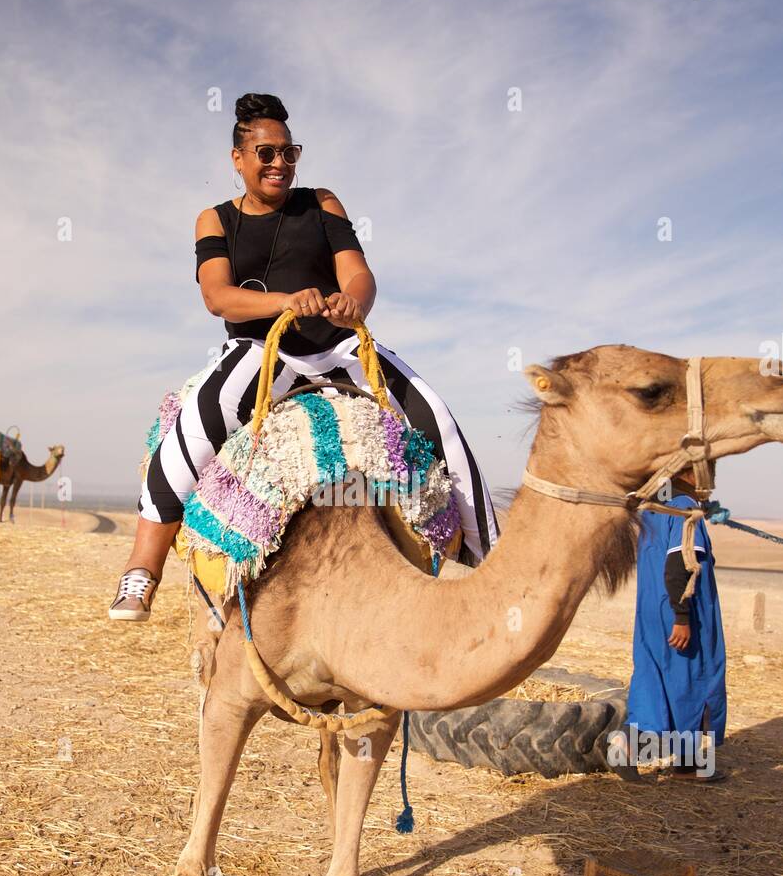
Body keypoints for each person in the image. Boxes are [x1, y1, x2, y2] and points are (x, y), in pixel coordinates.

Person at [110, 92, 499, 620]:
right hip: (258, 350)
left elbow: (359, 273)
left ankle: (492, 571)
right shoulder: (215, 219)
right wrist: (284, 303)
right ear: (238, 158)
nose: (279, 164)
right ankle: (142, 570)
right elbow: (217, 296)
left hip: (337, 346)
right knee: (196, 428)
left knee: (437, 421)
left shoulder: (321, 203)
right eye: (266, 153)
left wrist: (351, 303)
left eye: (289, 153)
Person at [624, 467, 727, 782]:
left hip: (655, 611)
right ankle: (625, 747)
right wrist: (682, 618)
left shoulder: (656, 510)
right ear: (692, 474)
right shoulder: (684, 511)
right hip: (680, 612)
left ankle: (687, 765)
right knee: (695, 681)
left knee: (661, 680)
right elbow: (678, 566)